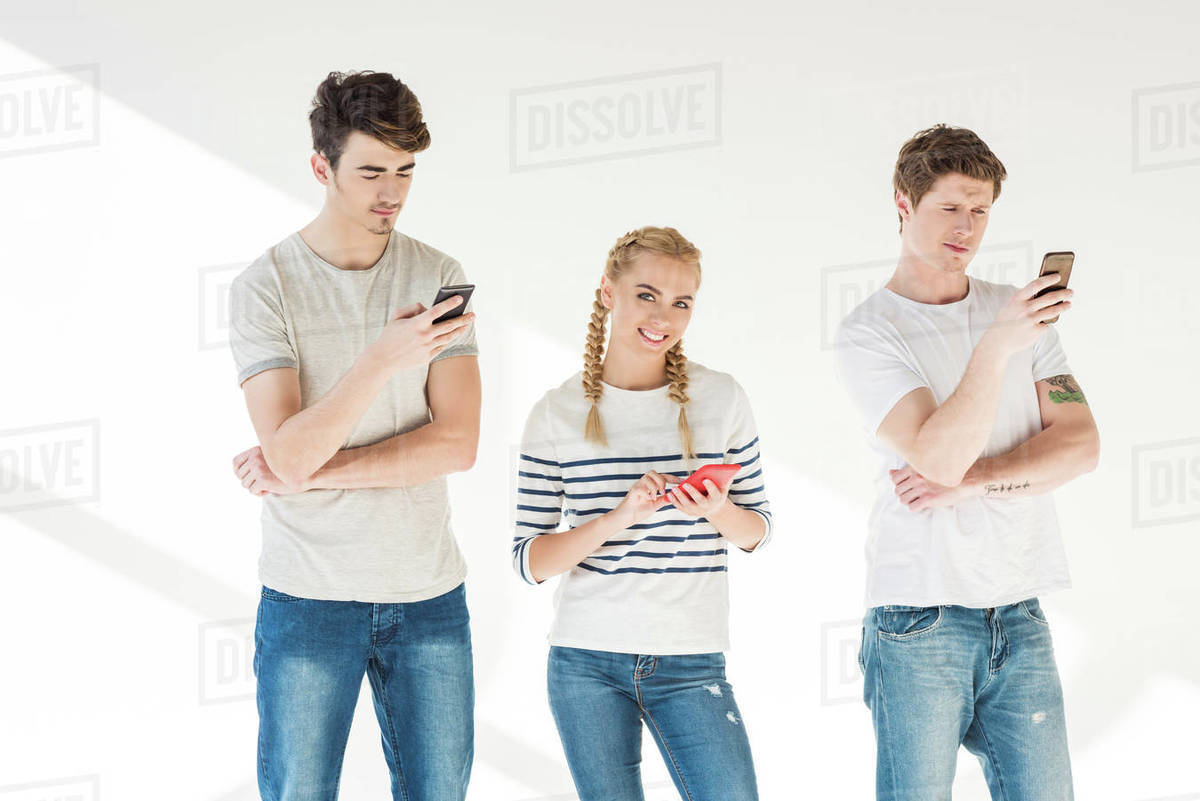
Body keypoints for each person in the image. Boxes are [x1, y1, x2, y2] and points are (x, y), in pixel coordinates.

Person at [227, 70, 480, 801]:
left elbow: (456, 444)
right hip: (308, 599)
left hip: (429, 594)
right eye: (370, 170)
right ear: (321, 167)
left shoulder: (438, 275)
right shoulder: (265, 286)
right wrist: (382, 360)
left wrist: (304, 468)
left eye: (405, 171)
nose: (390, 193)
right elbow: (287, 452)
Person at [833, 124, 1100, 800]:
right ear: (903, 204)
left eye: (980, 210)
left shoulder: (1016, 313)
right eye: (949, 207)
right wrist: (997, 347)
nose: (967, 226)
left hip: (1019, 610)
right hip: (919, 617)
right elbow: (935, 454)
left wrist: (973, 481)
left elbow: (1080, 445)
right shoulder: (868, 332)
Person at [513, 226, 772, 801]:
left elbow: (758, 530)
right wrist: (619, 516)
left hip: (692, 662)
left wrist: (718, 509)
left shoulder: (722, 397)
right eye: (646, 295)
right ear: (609, 292)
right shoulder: (555, 413)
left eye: (682, 303)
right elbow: (529, 561)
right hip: (585, 665)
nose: (664, 317)